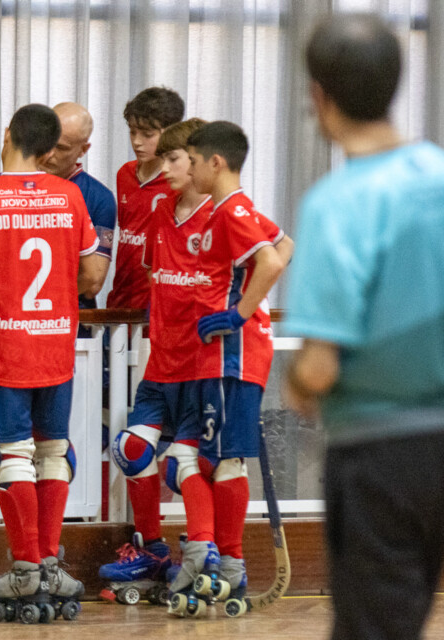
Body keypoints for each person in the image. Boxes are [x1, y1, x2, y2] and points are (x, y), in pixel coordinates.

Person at [284, 13, 444, 640]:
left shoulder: (337, 203)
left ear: (319, 96)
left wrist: (298, 387)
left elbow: (320, 364)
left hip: (381, 456)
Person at [0, 104, 105, 621]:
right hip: (57, 345)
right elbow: (90, 269)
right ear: (52, 149)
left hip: (7, 350)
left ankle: (26, 566)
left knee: (8, 454)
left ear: (7, 134)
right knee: (53, 451)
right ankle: (51, 564)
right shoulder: (71, 195)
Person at [163, 120, 292, 618]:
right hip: (224, 355)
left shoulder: (232, 209)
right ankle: (223, 558)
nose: (187, 168)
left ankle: (225, 559)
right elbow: (285, 246)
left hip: (229, 356)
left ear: (214, 163)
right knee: (202, 457)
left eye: (191, 161)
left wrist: (240, 314)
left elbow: (273, 263)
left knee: (206, 459)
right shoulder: (235, 208)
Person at [99, 118, 211, 606]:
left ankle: (209, 557)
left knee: (186, 464)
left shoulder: (221, 214)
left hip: (200, 365)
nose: (162, 168)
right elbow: (151, 271)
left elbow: (271, 256)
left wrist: (237, 315)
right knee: (130, 448)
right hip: (159, 361)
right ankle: (153, 551)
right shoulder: (163, 209)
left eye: (172, 159)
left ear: (200, 162)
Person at [107, 87, 184, 311]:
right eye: (132, 132)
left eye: (147, 134)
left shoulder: (180, 182)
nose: (137, 142)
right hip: (121, 297)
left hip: (158, 302)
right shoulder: (124, 173)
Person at [42, 102, 115, 312]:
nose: (49, 153)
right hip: (13, 318)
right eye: (47, 142)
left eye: (61, 147)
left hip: (71, 319)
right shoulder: (11, 185)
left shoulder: (100, 198)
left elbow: (93, 282)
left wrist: (42, 302)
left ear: (83, 149)